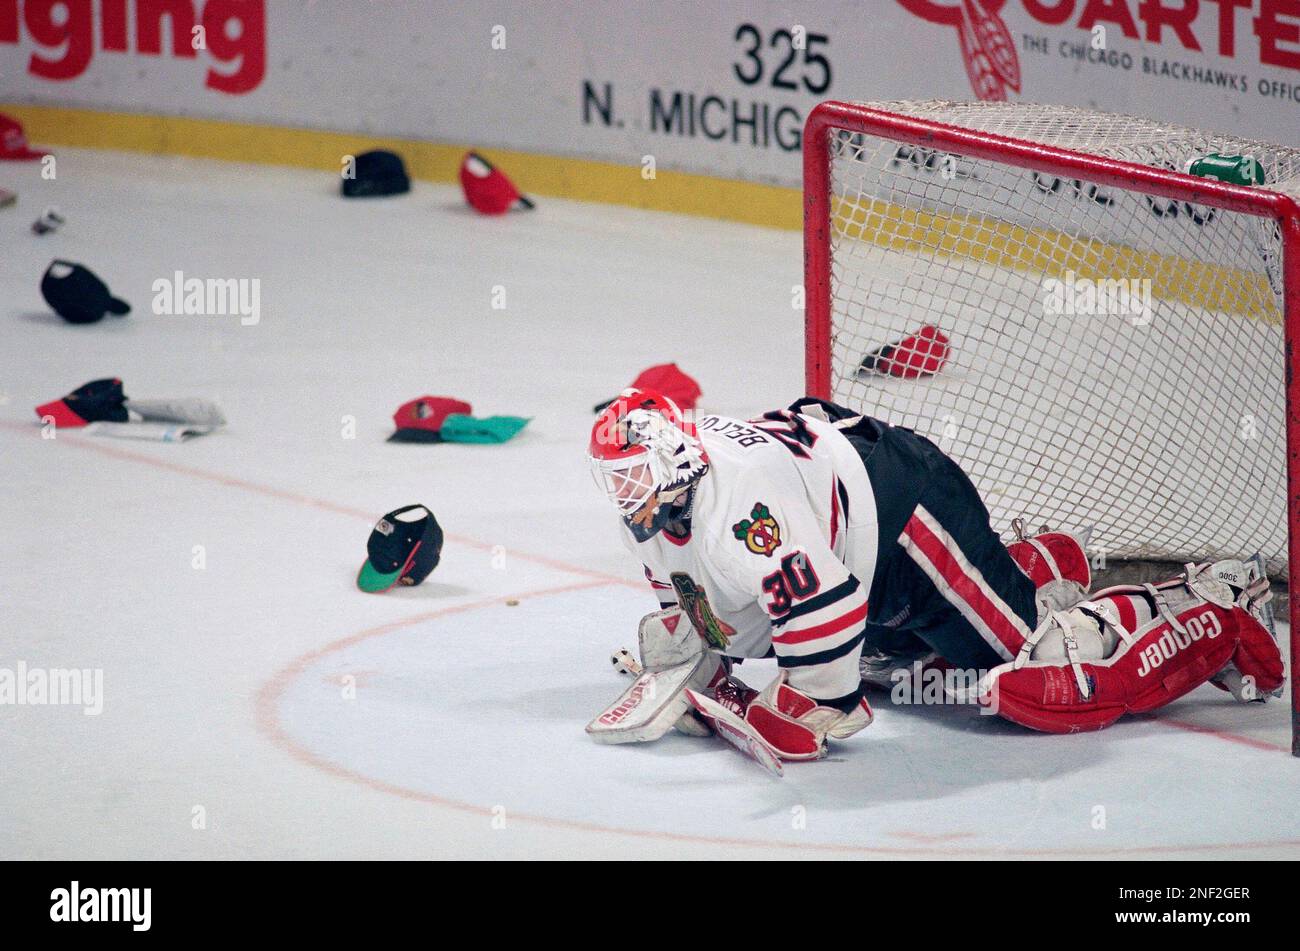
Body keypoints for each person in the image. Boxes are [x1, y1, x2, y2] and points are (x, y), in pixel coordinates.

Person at [587, 388, 1285, 761]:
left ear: (674, 454)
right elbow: (708, 595)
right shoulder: (660, 503)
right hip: (856, 536)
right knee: (912, 660)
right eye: (614, 480)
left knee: (1030, 655)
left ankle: (1216, 602)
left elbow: (822, 603)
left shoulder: (742, 502)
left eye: (635, 476)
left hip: (907, 517)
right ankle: (1034, 568)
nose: (627, 494)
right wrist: (697, 653)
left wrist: (811, 697)